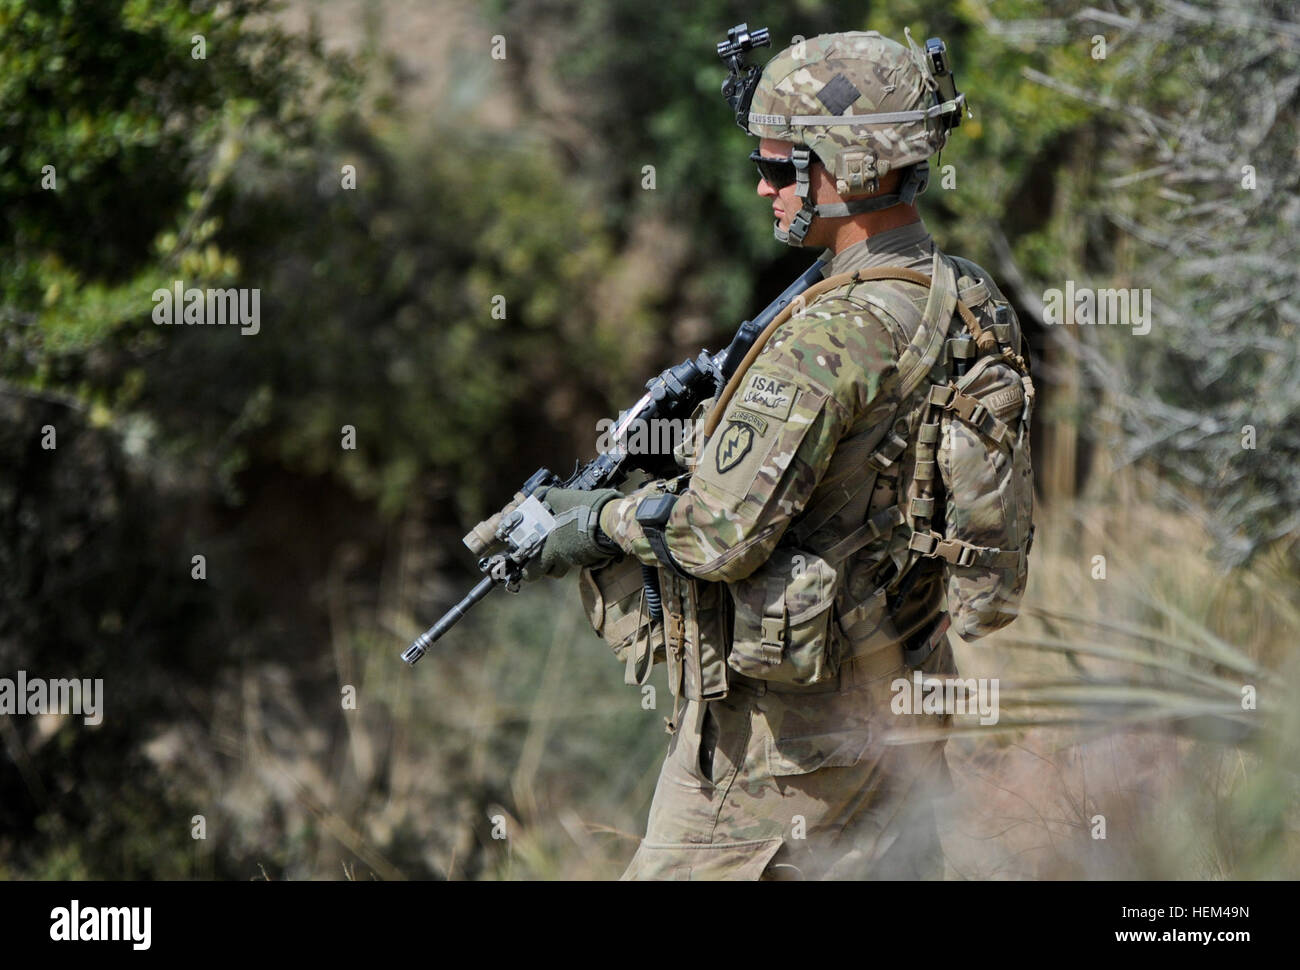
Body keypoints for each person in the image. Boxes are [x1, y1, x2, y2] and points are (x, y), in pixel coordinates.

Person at [525, 29, 1034, 879]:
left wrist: (592, 522)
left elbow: (717, 539)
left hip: (781, 748)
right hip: (907, 693)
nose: (762, 187)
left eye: (783, 167)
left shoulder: (827, 335)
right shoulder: (972, 297)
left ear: (857, 168)